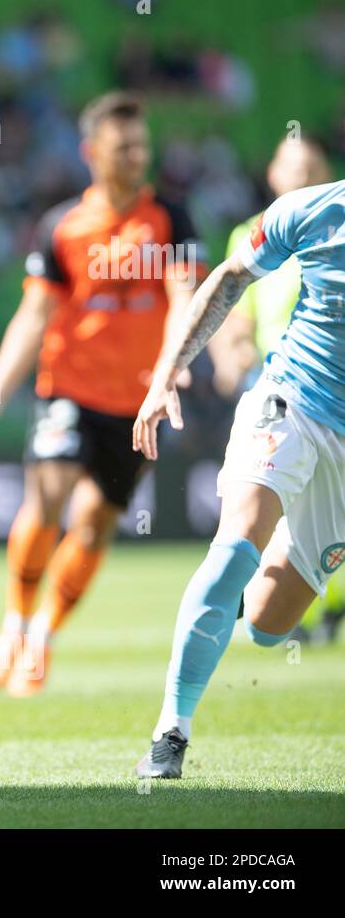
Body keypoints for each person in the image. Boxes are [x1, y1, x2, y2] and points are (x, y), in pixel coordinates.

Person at [0, 92, 205, 696]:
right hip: (69, 387)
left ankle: (43, 638)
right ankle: (13, 625)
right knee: (48, 497)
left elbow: (183, 294)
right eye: (124, 147)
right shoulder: (61, 225)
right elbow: (35, 314)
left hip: (138, 401)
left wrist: (173, 364)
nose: (137, 157)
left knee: (93, 525)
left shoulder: (171, 217)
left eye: (143, 146)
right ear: (91, 153)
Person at [134, 177, 345, 779]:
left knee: (269, 627)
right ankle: (171, 732)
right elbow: (229, 279)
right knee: (233, 549)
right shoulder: (312, 210)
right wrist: (168, 372)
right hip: (290, 400)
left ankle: (255, 573)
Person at [208, 136, 341, 645]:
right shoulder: (254, 232)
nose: (302, 178)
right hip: (276, 384)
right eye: (294, 169)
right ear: (273, 175)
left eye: (312, 169)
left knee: (317, 513)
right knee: (261, 509)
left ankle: (312, 607)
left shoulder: (334, 221)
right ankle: (293, 617)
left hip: (334, 387)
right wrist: (228, 353)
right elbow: (233, 305)